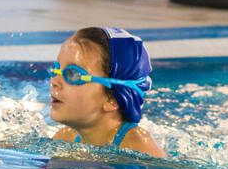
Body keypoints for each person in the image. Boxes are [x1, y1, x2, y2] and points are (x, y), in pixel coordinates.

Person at [49, 26, 166, 156]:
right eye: (56, 69)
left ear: (112, 98)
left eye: (73, 74)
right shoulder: (65, 139)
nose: (54, 81)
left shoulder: (139, 148)